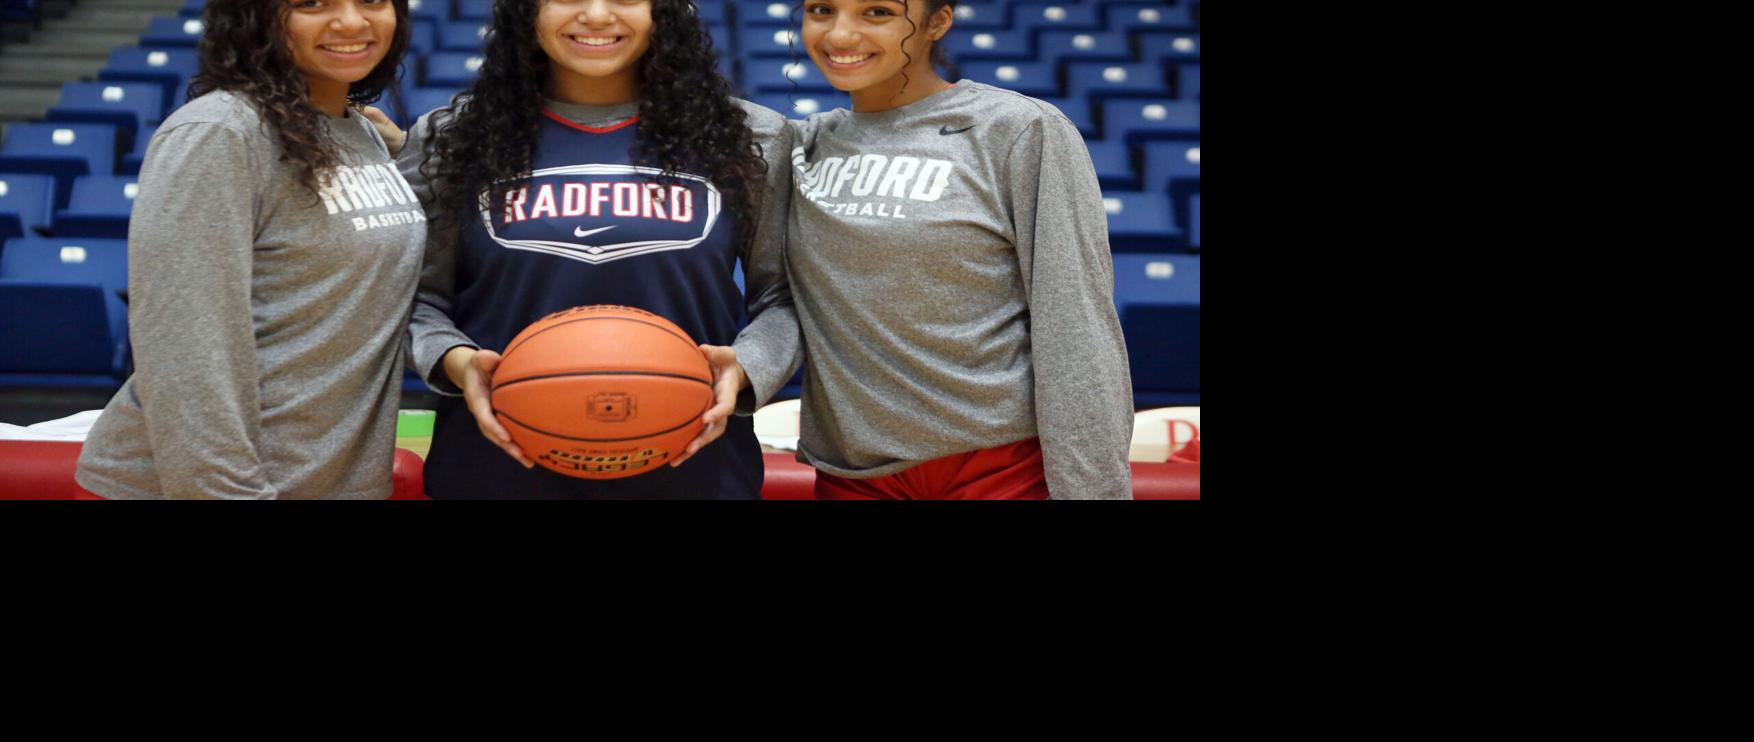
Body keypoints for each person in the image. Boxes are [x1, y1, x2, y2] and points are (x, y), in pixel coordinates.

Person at [720, 0, 1135, 499]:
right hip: (854, 474)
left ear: (938, 21)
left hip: (1001, 467)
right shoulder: (799, 148)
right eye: (822, 10)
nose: (840, 35)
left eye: (877, 12)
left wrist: (1095, 491)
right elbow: (787, 303)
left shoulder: (1017, 129)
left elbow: (1076, 326)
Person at [401, 0, 792, 499]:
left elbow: (783, 297)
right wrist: (455, 360)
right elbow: (413, 299)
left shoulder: (750, 136)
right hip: (495, 466)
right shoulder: (449, 139)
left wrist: (745, 366)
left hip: (694, 464)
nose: (597, 14)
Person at [74, 0, 424, 499]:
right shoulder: (219, 131)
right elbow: (185, 348)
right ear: (254, 16)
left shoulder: (361, 131)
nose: (351, 21)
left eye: (371, 0)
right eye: (311, 3)